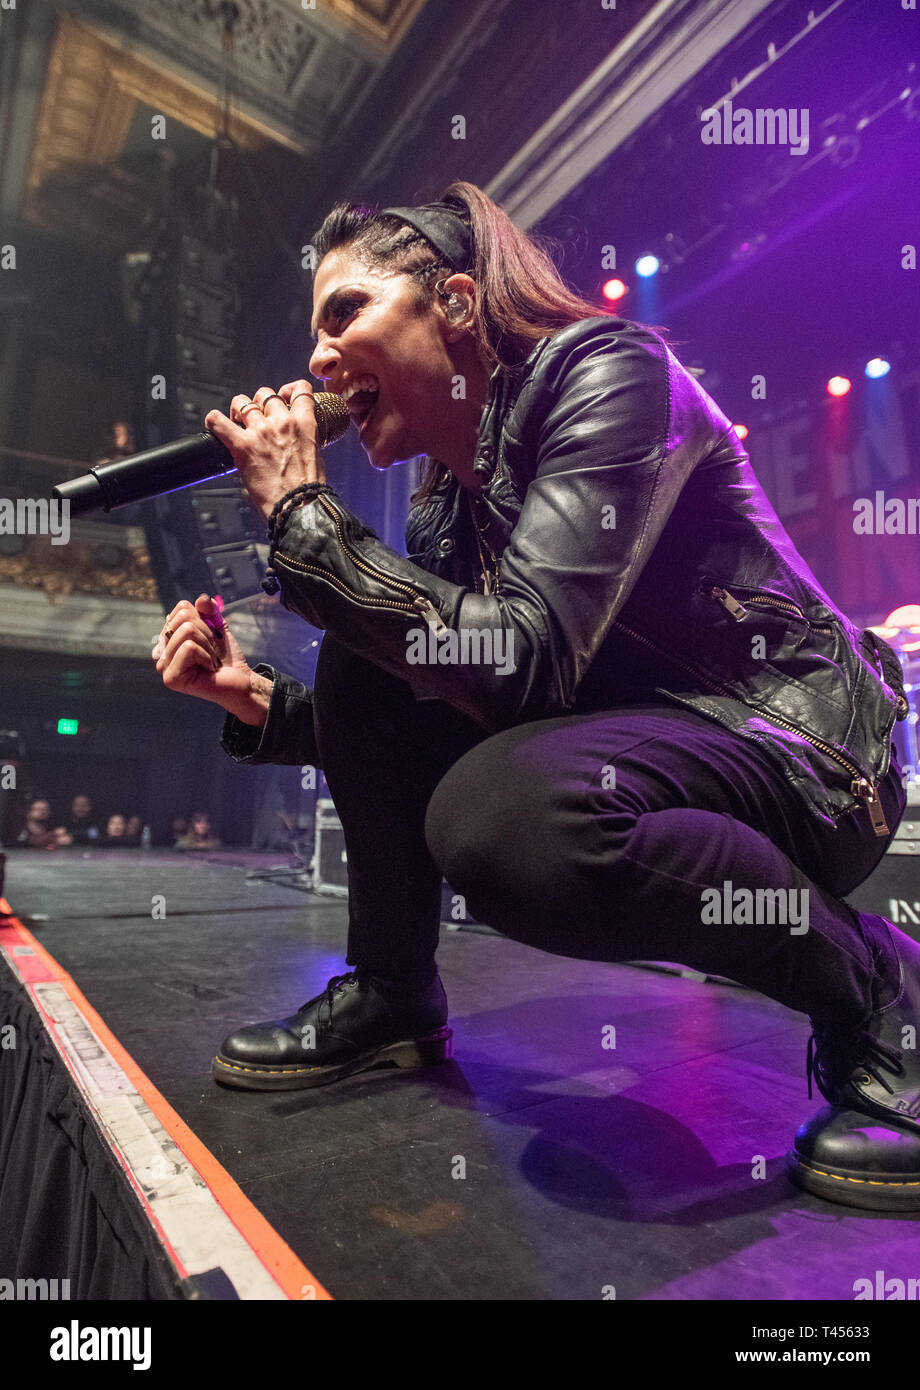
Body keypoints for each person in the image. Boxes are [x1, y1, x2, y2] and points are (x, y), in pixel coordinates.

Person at [152, 181, 915, 1212]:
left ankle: (878, 987)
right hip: (657, 740)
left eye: (346, 314)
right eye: (313, 331)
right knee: (364, 660)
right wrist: (262, 705)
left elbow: (523, 662)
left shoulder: (609, 373)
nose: (318, 360)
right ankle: (392, 993)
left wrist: (301, 514)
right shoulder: (443, 504)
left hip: (800, 752)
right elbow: (449, 697)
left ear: (456, 303)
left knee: (507, 822)